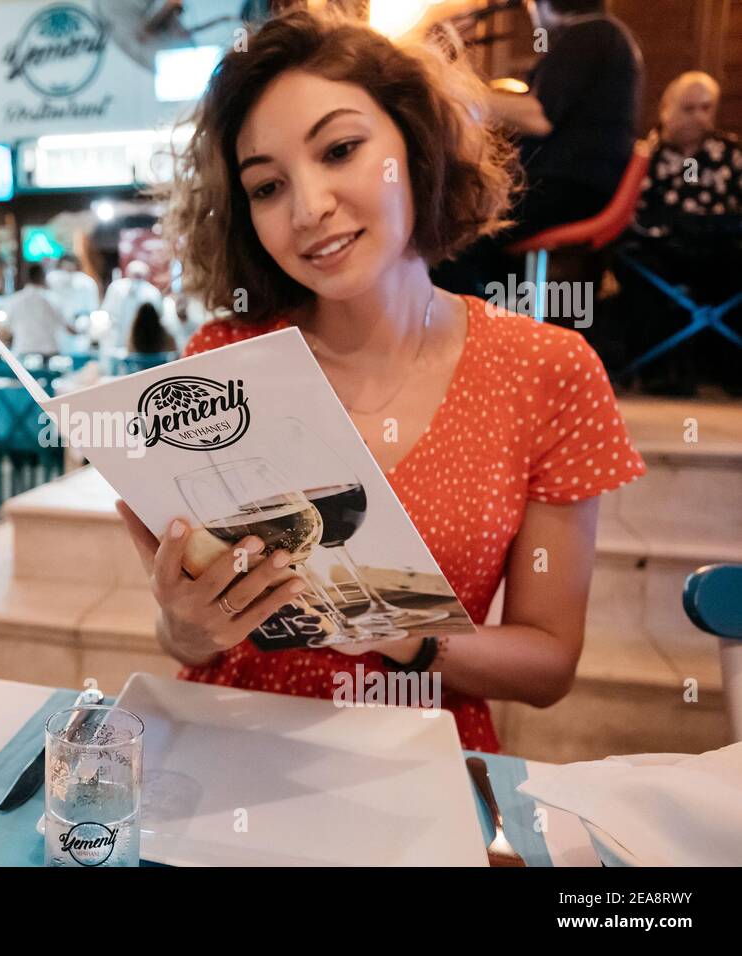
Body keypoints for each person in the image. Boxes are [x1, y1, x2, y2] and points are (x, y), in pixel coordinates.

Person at [116, 8, 646, 752]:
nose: (308, 208)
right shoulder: (225, 360)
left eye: (339, 150)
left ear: (417, 143)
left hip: (420, 762)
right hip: (232, 752)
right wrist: (184, 622)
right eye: (266, 188)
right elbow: (191, 644)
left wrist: (402, 633)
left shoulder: (546, 372)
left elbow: (549, 663)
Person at [434, 0, 644, 296]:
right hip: (582, 188)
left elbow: (540, 117)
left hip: (567, 189)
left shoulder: (586, 33)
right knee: (484, 239)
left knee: (452, 236)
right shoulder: (607, 35)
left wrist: (458, 94)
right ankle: (506, 322)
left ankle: (464, 334)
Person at [616, 71, 742, 394]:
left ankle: (728, 372)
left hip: (720, 252)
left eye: (706, 108)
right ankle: (658, 371)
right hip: (659, 252)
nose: (699, 117)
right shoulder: (642, 155)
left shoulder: (731, 153)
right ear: (666, 109)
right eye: (689, 108)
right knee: (636, 270)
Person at [3, 264, 73, 357]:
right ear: (43, 277)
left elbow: (6, 329)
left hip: (23, 351)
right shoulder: (53, 299)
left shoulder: (13, 300)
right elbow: (68, 327)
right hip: (49, 353)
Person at [100, 260, 165, 349]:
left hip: (141, 342)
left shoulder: (153, 293)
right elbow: (106, 312)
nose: (136, 280)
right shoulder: (116, 288)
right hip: (115, 340)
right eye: (134, 275)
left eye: (139, 276)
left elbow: (157, 318)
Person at [45, 254, 101, 325]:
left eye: (70, 267)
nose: (68, 271)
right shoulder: (51, 279)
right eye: (65, 267)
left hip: (80, 324)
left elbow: (93, 307)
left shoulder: (86, 282)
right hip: (56, 324)